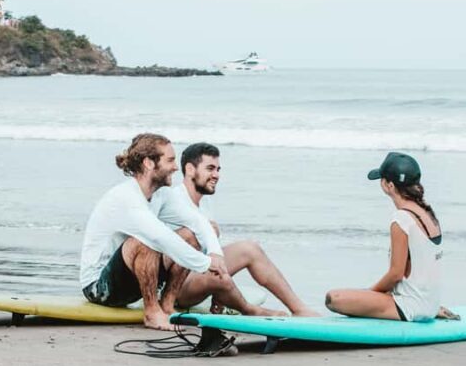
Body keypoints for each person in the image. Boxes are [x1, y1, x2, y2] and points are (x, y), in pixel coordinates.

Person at [79, 133, 229, 331]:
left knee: (190, 234)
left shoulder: (160, 195)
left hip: (134, 280)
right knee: (146, 240)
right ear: (149, 163)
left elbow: (198, 221)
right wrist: (205, 264)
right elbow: (159, 237)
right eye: (170, 160)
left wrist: (215, 253)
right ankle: (152, 312)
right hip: (100, 287)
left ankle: (167, 305)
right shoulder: (126, 197)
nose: (176, 167)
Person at [174, 142, 319, 317]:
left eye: (218, 169)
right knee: (216, 272)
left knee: (250, 248)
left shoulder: (204, 202)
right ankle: (251, 310)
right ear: (190, 169)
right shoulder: (172, 200)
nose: (216, 175)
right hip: (177, 286)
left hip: (201, 272)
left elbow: (212, 252)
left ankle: (299, 310)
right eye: (210, 168)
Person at [324, 152, 457, 322]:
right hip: (429, 304)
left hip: (410, 307)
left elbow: (396, 274)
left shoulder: (401, 219)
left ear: (390, 186)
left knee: (334, 298)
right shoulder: (427, 213)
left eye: (382, 179)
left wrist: (370, 293)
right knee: (358, 298)